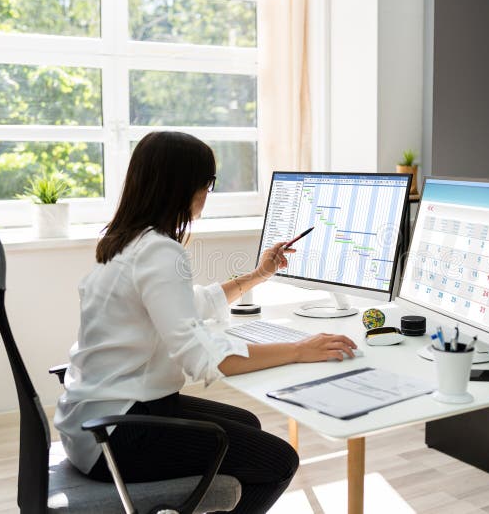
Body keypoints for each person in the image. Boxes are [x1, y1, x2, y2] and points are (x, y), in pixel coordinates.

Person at [54, 131, 357, 513]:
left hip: (94, 420)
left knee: (247, 422)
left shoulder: (126, 241)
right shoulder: (160, 252)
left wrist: (257, 276)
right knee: (280, 461)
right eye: (208, 183)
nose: (208, 193)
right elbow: (207, 359)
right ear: (182, 187)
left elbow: (189, 304)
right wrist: (300, 350)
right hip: (117, 435)